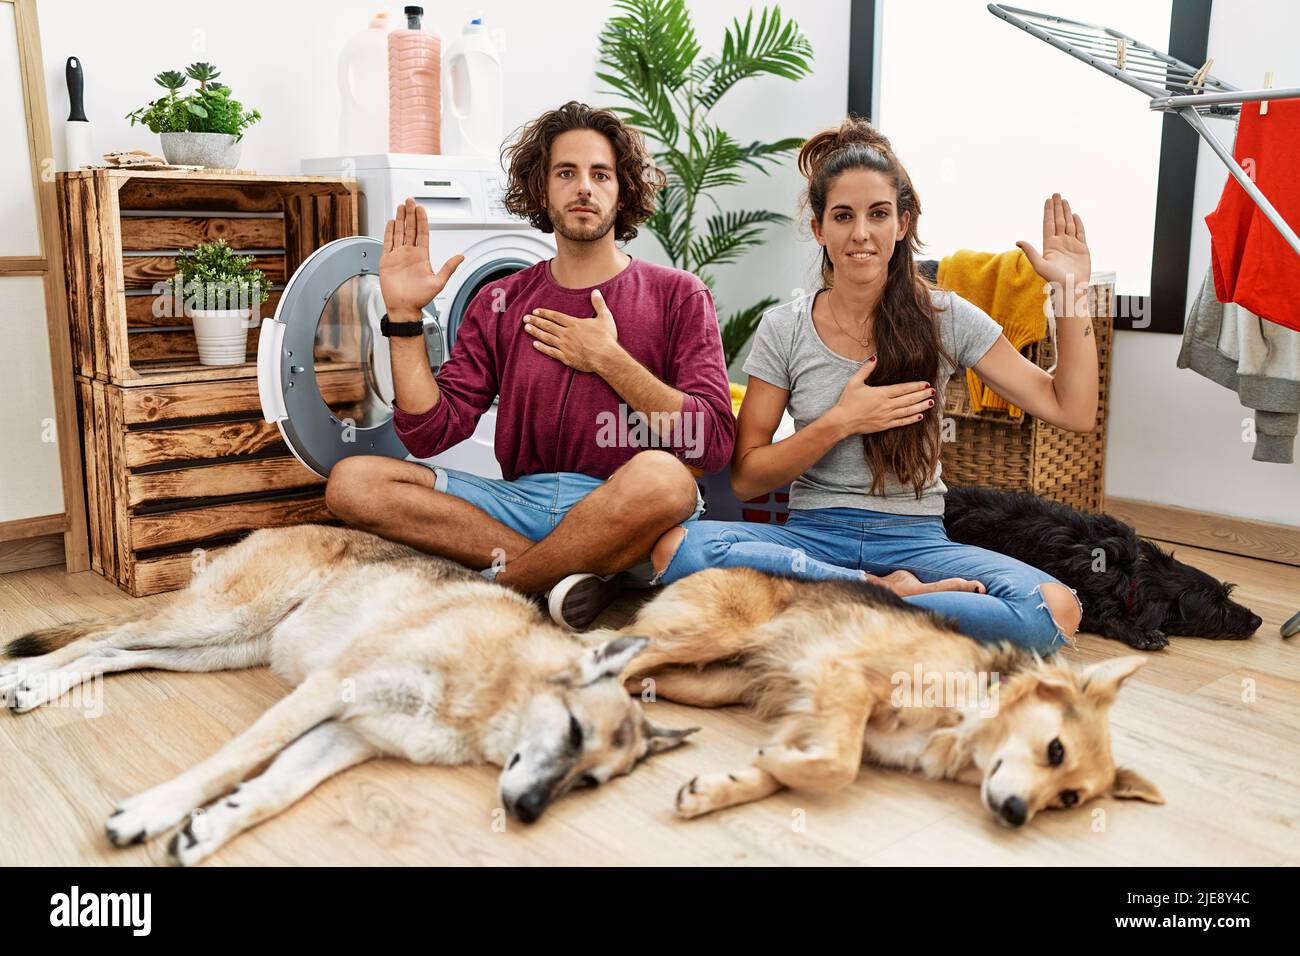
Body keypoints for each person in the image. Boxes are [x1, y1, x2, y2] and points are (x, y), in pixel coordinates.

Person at [645, 117, 1098, 655]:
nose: (861, 234)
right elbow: (745, 478)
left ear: (903, 223)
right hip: (811, 538)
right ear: (819, 230)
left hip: (917, 541)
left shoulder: (945, 317)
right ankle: (884, 603)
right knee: (678, 547)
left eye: (878, 214)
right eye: (843, 216)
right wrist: (842, 421)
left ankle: (838, 612)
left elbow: (1071, 409)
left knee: (1053, 609)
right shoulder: (784, 327)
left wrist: (1071, 291)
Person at [325, 101, 736, 629]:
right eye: (566, 173)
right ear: (542, 191)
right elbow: (429, 433)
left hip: (630, 512)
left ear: (622, 189)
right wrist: (403, 316)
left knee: (667, 478)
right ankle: (575, 575)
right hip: (521, 501)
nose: (584, 187)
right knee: (352, 482)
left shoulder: (678, 294)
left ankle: (503, 588)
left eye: (600, 174)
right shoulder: (502, 299)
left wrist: (609, 360)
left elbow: (711, 443)